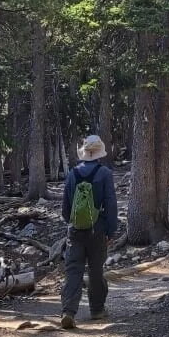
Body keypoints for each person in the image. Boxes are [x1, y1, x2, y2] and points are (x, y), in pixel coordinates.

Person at [60, 134, 118, 327]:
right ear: (99, 153)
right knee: (95, 271)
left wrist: (73, 222)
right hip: (98, 230)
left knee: (73, 271)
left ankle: (68, 311)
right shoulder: (105, 174)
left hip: (75, 231)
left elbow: (65, 208)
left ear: (84, 152)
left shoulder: (72, 174)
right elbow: (110, 204)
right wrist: (111, 230)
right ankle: (97, 310)